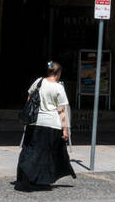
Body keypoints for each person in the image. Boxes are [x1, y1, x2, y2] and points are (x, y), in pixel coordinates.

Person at [16, 60, 75, 190]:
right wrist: (65, 129)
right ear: (58, 73)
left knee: (30, 150)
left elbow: (29, 98)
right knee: (46, 153)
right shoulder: (58, 87)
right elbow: (61, 110)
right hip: (52, 125)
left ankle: (26, 178)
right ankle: (41, 180)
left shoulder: (39, 82)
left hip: (35, 123)